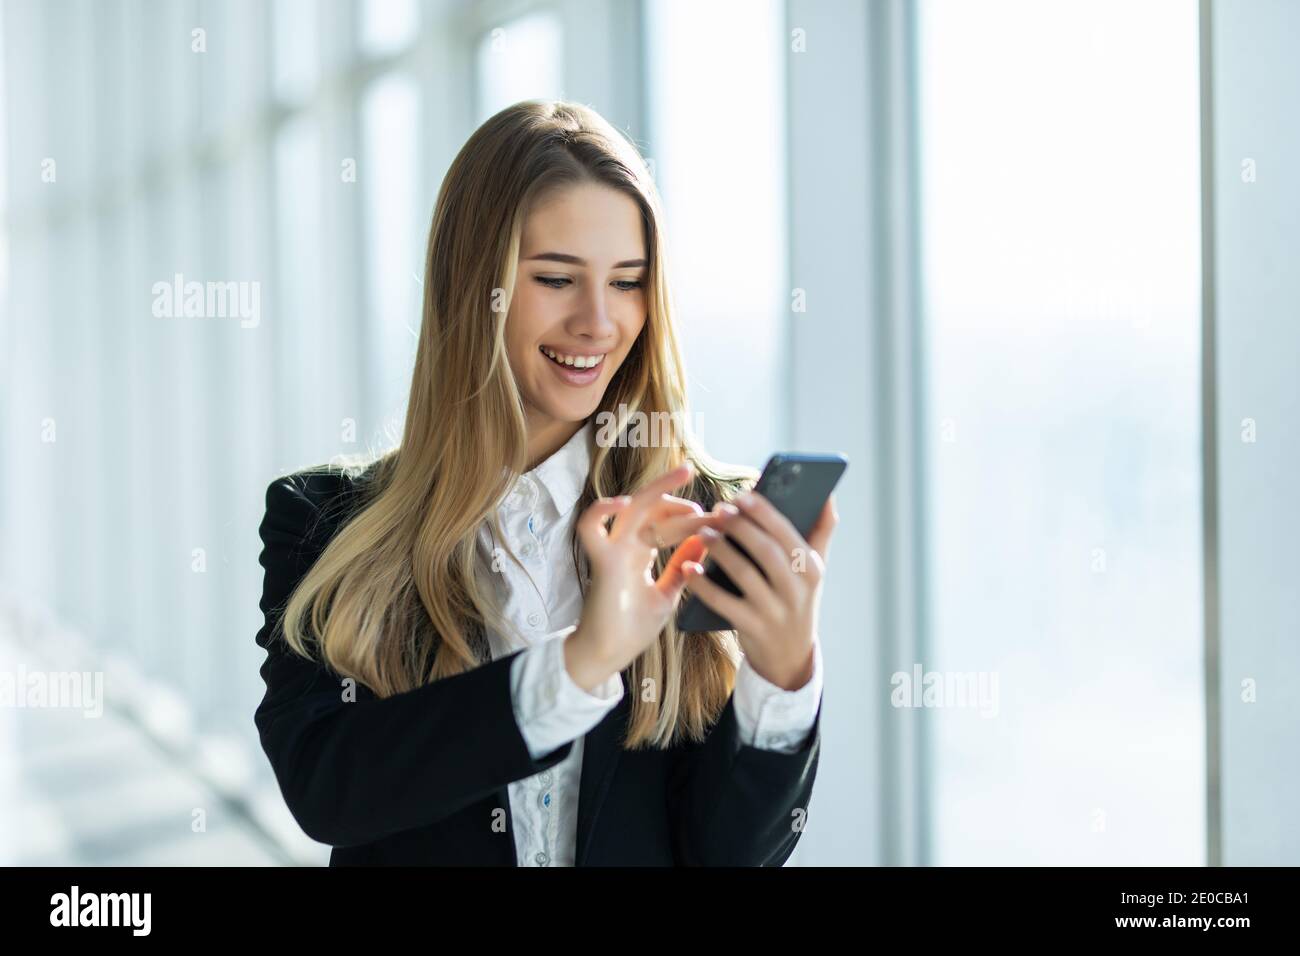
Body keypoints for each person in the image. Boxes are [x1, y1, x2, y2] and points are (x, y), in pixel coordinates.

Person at [253, 100, 837, 866]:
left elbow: (721, 855)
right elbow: (329, 790)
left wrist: (782, 674)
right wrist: (583, 659)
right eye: (557, 278)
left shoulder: (697, 519)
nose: (599, 321)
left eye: (628, 283)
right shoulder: (326, 522)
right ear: (473, 288)